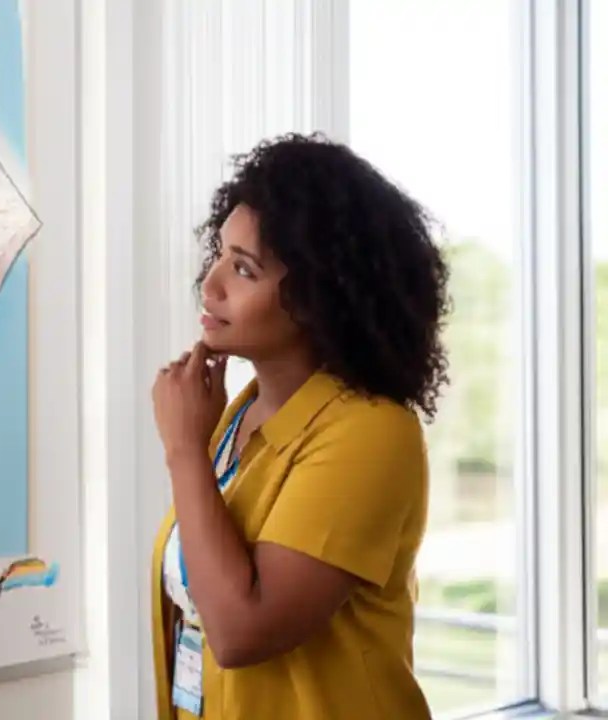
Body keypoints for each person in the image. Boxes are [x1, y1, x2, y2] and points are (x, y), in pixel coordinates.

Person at [149, 132, 450, 719]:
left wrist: (184, 450)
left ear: (317, 297)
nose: (209, 285)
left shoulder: (370, 432)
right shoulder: (239, 411)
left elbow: (241, 631)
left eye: (243, 269)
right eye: (219, 253)